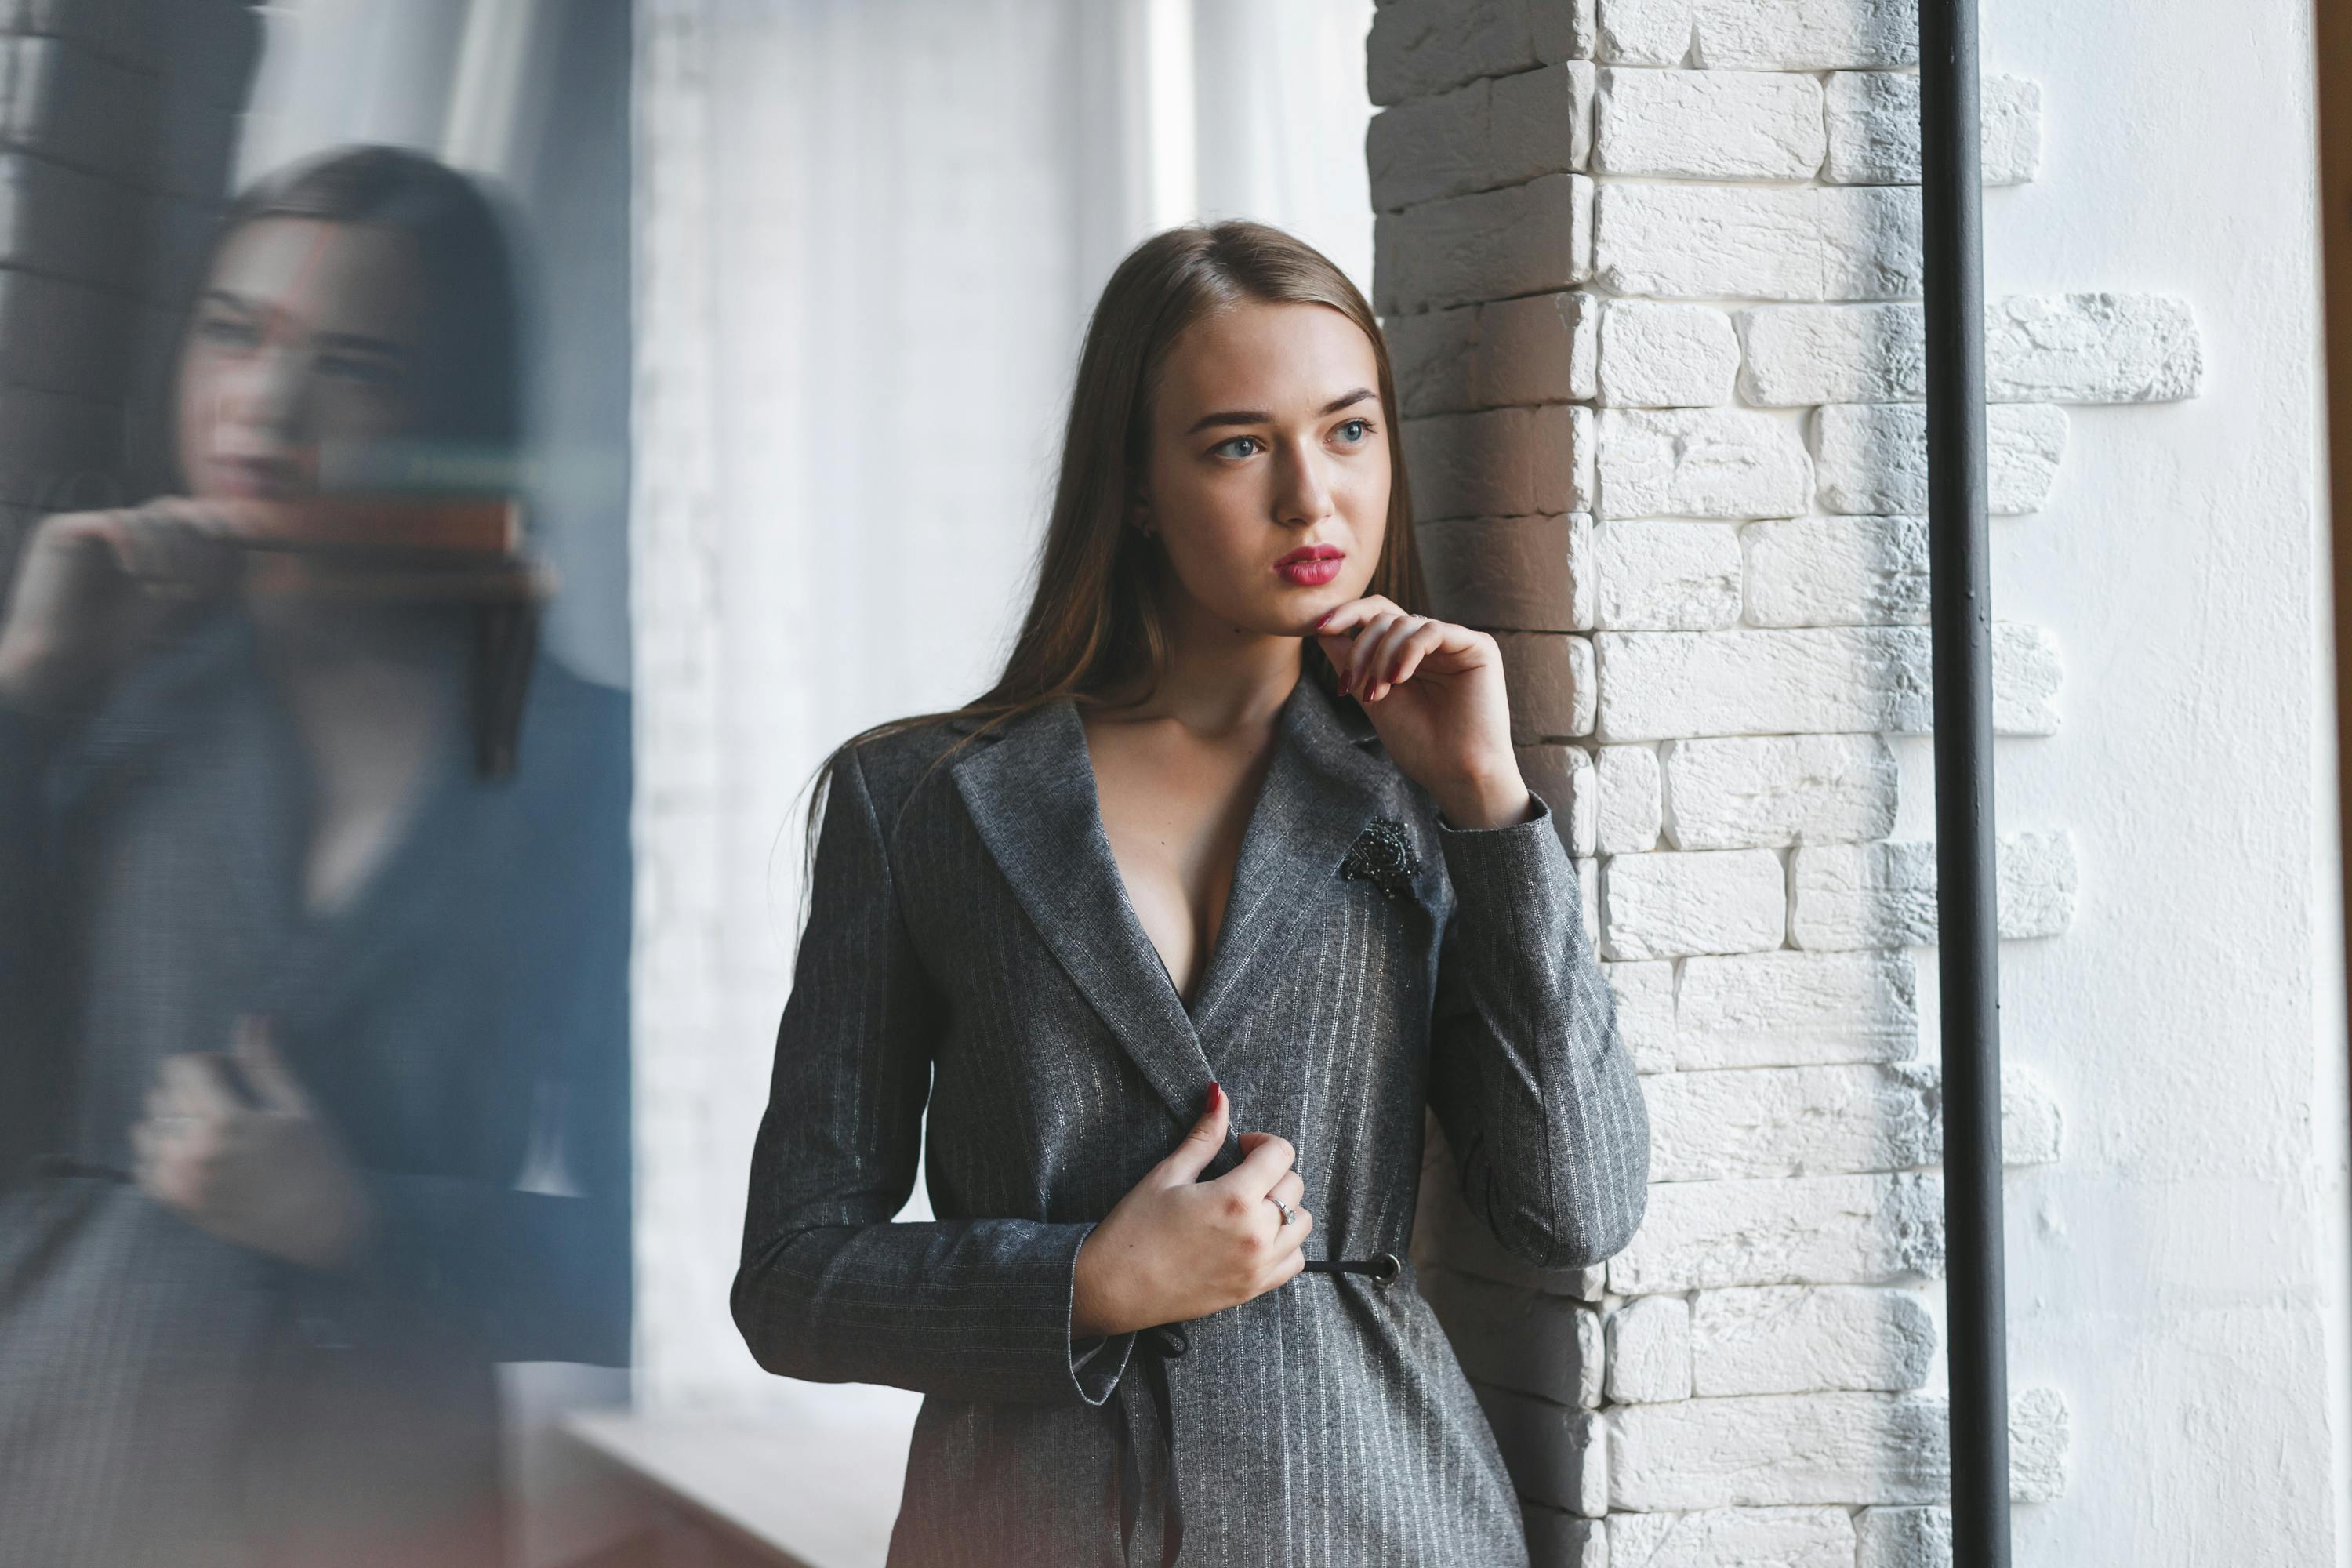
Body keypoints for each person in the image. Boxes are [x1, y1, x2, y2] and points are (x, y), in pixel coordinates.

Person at [731, 220, 1650, 1566]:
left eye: (1348, 433)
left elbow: (1577, 1204)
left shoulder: (1425, 794)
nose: (1311, 501)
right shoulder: (920, 801)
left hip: (1374, 1518)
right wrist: (1090, 1284)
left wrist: (1490, 811)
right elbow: (794, 1278)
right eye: (1238, 445)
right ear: (1139, 485)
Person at [0, 145, 631, 1568]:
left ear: (452, 411)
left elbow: (666, 1260)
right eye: (233, 335)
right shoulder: (99, 698)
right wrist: (25, 698)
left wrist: (363, 1219)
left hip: (382, 1509)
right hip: (54, 1467)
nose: (265, 407)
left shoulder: (587, 770)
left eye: (353, 365)